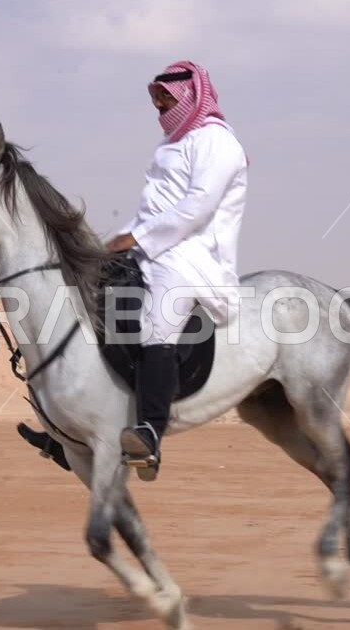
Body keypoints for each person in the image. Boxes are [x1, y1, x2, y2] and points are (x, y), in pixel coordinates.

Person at [106, 60, 249, 481]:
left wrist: (136, 238)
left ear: (189, 96)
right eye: (156, 100)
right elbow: (152, 210)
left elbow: (197, 207)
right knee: (97, 294)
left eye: (165, 99)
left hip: (193, 254)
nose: (159, 108)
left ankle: (150, 432)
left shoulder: (217, 143)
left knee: (157, 325)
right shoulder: (171, 144)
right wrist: (116, 241)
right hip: (159, 245)